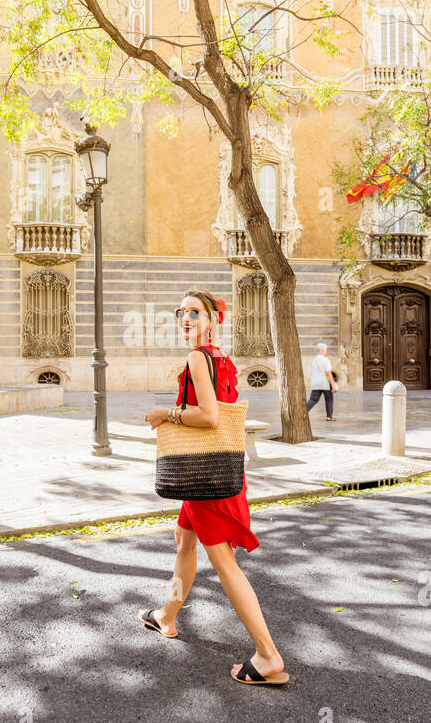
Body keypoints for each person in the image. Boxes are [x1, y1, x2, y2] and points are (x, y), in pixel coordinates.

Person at [140, 289, 289, 686]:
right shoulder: (221, 359)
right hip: (215, 470)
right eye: (181, 311)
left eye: (196, 312)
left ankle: (267, 654)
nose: (186, 319)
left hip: (201, 475)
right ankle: (166, 616)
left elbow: (208, 417)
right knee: (183, 541)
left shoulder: (196, 358)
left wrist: (165, 414)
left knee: (224, 565)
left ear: (212, 319)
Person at [306, 341, 338, 421]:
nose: (326, 351)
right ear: (323, 350)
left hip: (316, 382)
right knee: (329, 399)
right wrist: (333, 385)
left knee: (313, 399)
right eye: (325, 350)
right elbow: (328, 373)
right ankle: (329, 416)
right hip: (325, 383)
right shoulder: (325, 360)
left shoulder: (315, 360)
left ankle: (303, 412)